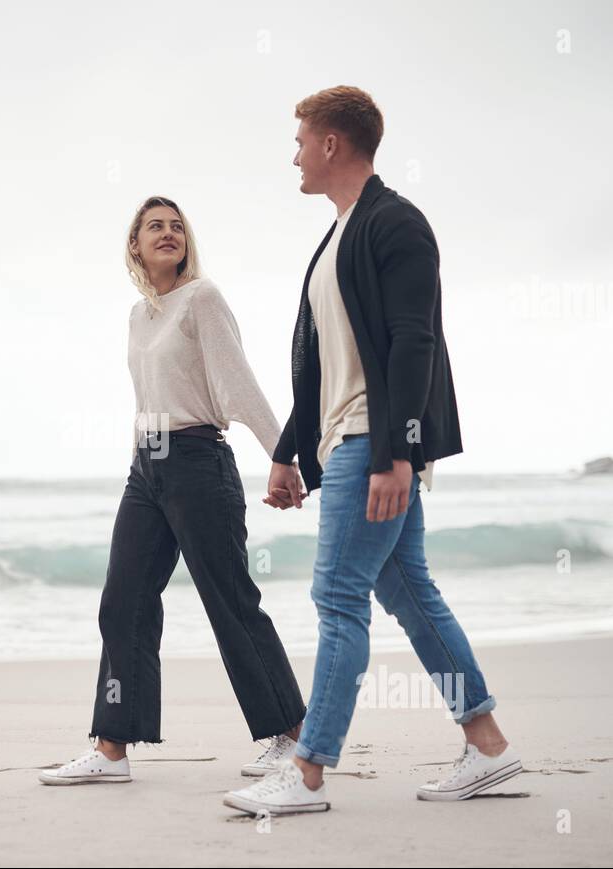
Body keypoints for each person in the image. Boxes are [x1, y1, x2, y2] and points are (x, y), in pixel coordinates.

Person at [224, 86, 522, 816]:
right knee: (406, 590)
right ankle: (488, 744)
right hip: (348, 439)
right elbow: (324, 369)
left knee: (337, 597)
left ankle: (310, 769)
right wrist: (289, 451)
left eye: (300, 141)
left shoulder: (396, 224)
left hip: (374, 443)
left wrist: (398, 453)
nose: (293, 155)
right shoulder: (334, 240)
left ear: (332, 144)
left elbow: (414, 341)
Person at [40, 195, 307, 785]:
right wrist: (138, 464)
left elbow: (236, 382)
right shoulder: (139, 315)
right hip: (148, 469)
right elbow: (145, 402)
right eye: (153, 226)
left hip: (198, 460)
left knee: (229, 599)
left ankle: (290, 736)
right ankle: (112, 750)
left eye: (176, 226)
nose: (167, 233)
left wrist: (282, 457)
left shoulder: (203, 299)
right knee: (123, 601)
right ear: (134, 244)